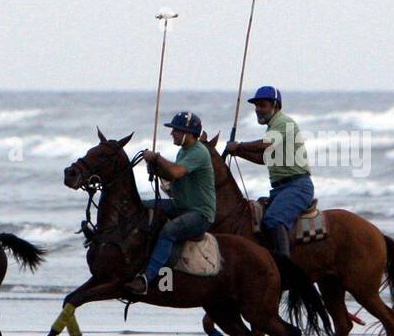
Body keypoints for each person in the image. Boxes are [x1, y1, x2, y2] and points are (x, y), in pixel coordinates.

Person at [125, 111, 216, 296]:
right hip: (181, 206)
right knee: (141, 206)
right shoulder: (183, 150)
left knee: (169, 232)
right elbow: (171, 175)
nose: (172, 133)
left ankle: (146, 279)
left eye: (176, 130)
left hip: (200, 213)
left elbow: (176, 172)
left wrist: (157, 158)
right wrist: (156, 169)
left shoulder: (199, 152)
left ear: (188, 133)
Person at [224, 86, 313, 259]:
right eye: (256, 106)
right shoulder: (273, 127)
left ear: (275, 105)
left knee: (273, 220)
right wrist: (239, 152)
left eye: (262, 105)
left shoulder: (283, 123)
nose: (258, 110)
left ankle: (284, 268)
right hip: (280, 189)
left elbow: (265, 144)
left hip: (297, 187)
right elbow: (264, 158)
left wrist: (238, 145)